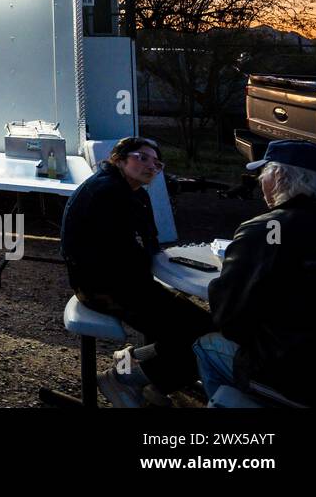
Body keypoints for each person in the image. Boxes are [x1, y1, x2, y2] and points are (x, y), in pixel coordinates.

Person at [60, 136, 213, 406]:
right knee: (201, 332)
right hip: (103, 288)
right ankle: (123, 380)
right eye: (141, 158)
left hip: (122, 283)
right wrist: (150, 271)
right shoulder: (108, 192)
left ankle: (139, 366)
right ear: (118, 159)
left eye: (156, 163)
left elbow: (149, 241)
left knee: (196, 324)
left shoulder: (133, 192)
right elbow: (125, 253)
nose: (151, 166)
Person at [193, 140, 316, 406]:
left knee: (205, 345)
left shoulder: (264, 229)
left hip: (294, 373)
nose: (259, 181)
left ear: (277, 176)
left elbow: (228, 320)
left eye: (262, 173)